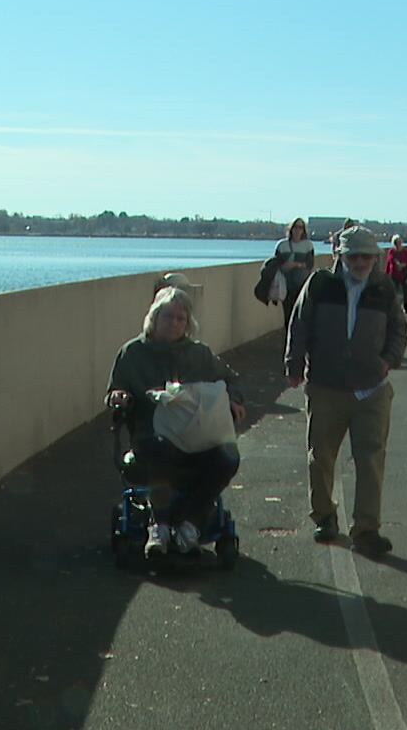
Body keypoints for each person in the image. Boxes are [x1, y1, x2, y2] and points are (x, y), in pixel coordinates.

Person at [285, 226, 407, 557]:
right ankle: (324, 516)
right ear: (339, 256)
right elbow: (299, 324)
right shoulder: (321, 284)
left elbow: (399, 328)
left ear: (376, 258)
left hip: (372, 388)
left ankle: (367, 530)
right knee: (321, 456)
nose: (360, 262)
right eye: (353, 256)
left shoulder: (383, 288)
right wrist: (293, 367)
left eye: (367, 256)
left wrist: (388, 361)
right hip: (326, 386)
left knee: (371, 460)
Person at [105, 287, 246, 559]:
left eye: (181, 318)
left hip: (196, 437)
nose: (174, 323)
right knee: (159, 450)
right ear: (155, 318)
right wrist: (118, 397)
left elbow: (230, 379)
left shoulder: (199, 354)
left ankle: (190, 523)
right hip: (152, 435)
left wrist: (234, 399)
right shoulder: (133, 353)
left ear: (188, 323)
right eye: (168, 317)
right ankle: (160, 525)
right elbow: (115, 389)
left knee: (228, 457)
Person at [273, 218, 318, 330]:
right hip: (286, 285)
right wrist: (284, 266)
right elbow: (275, 264)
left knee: (301, 315)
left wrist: (296, 265)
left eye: (300, 227)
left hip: (302, 285)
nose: (298, 230)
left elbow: (310, 264)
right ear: (291, 229)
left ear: (304, 230)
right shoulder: (281, 245)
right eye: (295, 227)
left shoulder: (308, 245)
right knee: (288, 315)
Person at [384, 236, 407, 314]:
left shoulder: (406, 251)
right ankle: (396, 308)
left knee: (406, 292)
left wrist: (403, 264)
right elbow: (388, 263)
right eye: (396, 242)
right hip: (394, 274)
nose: (398, 244)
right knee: (394, 292)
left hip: (404, 274)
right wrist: (386, 274)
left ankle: (405, 307)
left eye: (399, 242)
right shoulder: (391, 252)